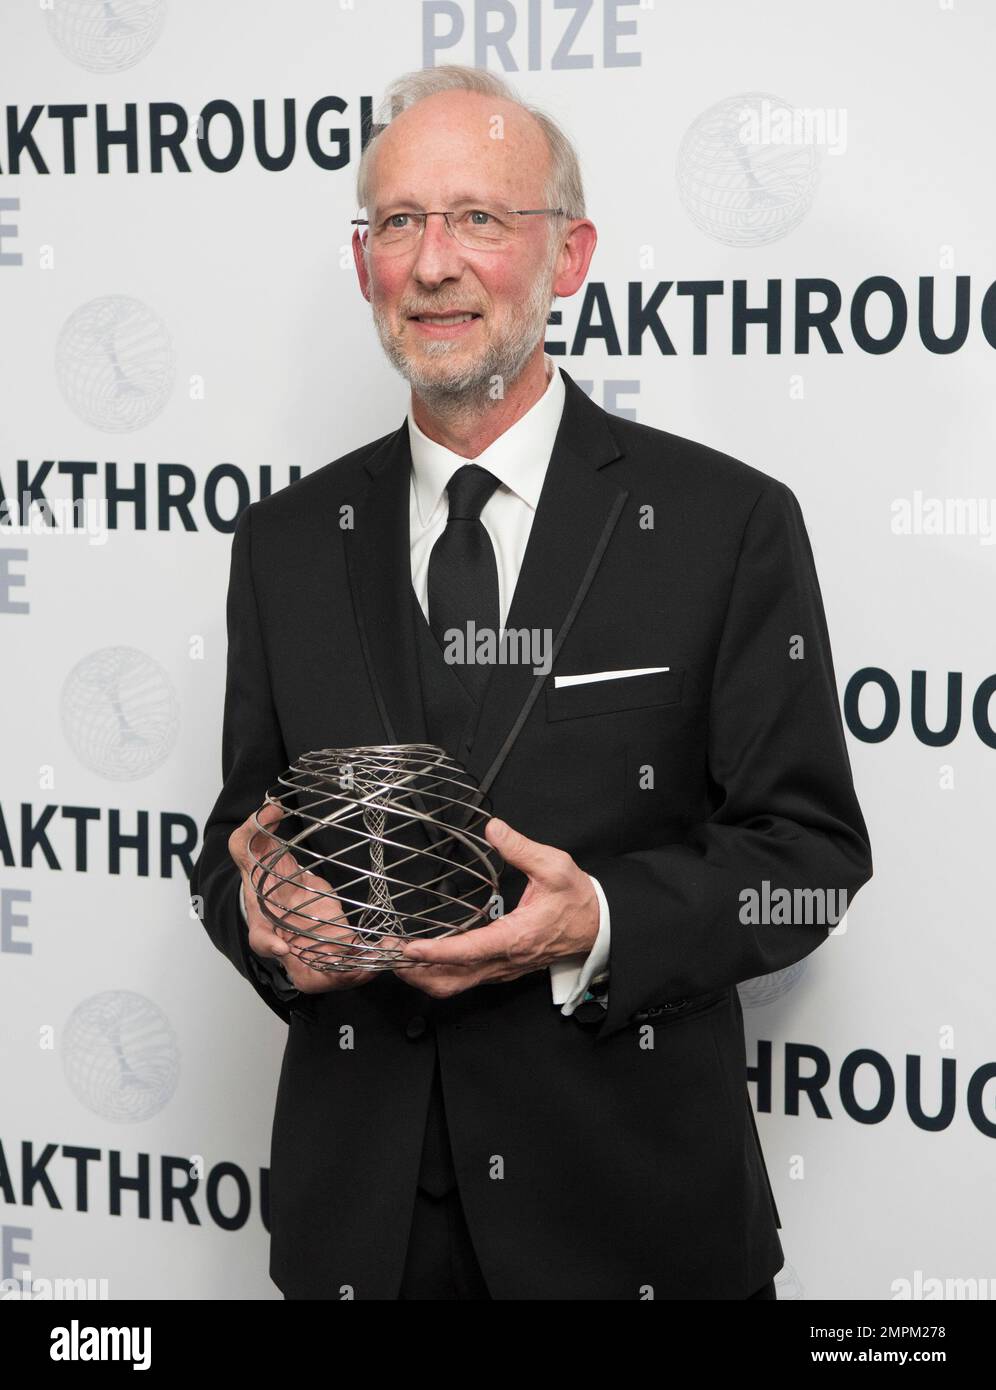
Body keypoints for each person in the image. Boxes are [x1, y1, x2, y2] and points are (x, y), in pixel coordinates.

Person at [189, 64, 872, 1301]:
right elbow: (237, 839)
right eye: (398, 222)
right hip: (364, 1241)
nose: (434, 261)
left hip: (636, 1234)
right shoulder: (282, 544)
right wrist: (266, 911)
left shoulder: (726, 523)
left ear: (570, 257)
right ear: (364, 266)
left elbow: (809, 855)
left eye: (479, 219)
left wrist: (597, 921)